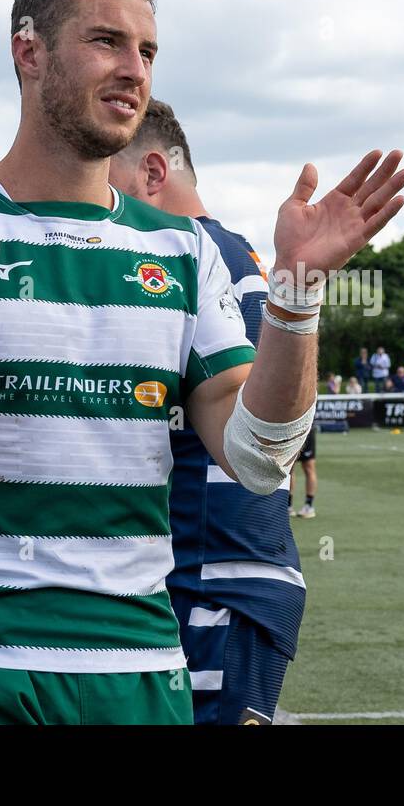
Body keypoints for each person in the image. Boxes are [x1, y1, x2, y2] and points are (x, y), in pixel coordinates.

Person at [0, 0, 404, 725]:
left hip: (144, 670)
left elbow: (259, 457)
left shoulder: (184, 248)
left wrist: (296, 293)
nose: (133, 70)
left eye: (147, 52)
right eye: (107, 42)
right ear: (29, 52)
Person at [104, 98, 305, 725]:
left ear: (152, 175)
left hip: (213, 582)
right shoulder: (232, 254)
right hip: (223, 575)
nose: (96, 209)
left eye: (104, 185)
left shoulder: (193, 262)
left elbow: (255, 438)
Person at [289, 425, 318, 519]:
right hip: (290, 429)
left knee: (309, 467)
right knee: (289, 468)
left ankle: (309, 506)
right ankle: (288, 505)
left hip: (306, 427)